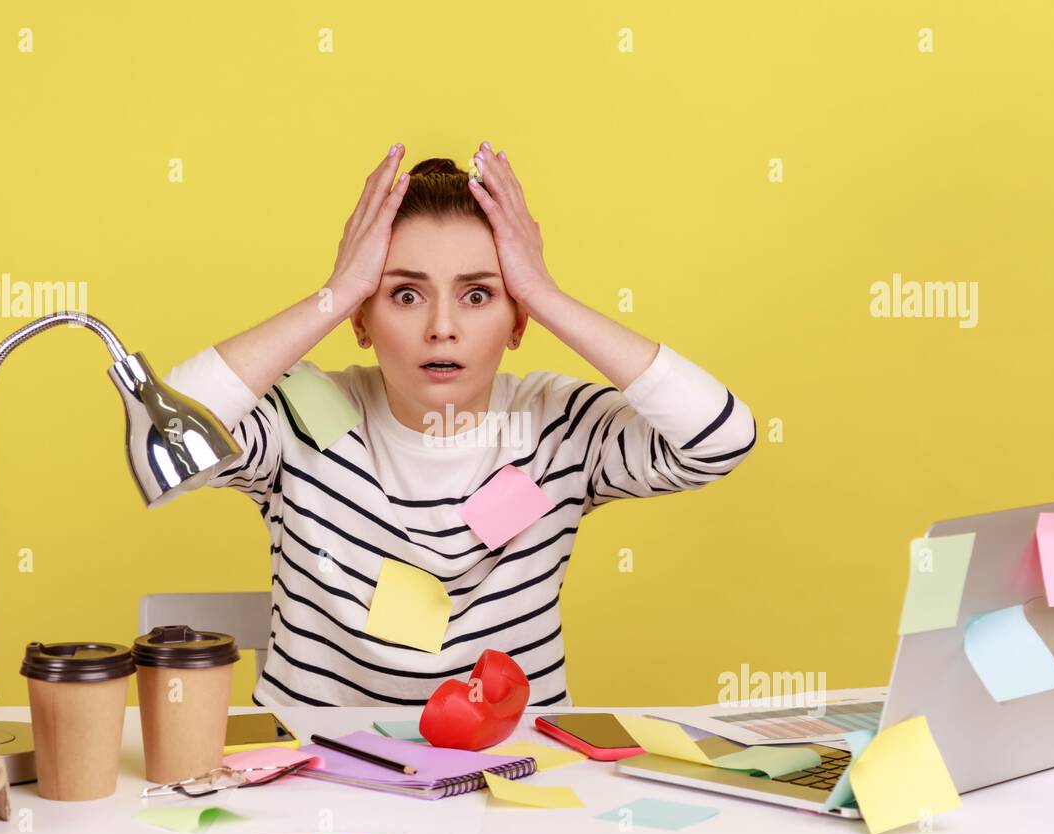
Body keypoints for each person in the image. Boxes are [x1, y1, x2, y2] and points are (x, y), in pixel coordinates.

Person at [165, 141, 757, 707]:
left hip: (514, 768)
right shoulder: (304, 416)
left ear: (518, 322)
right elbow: (164, 438)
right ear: (361, 321)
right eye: (404, 295)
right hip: (319, 777)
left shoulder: (556, 425)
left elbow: (722, 438)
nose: (442, 327)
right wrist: (338, 289)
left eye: (477, 295)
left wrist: (543, 293)